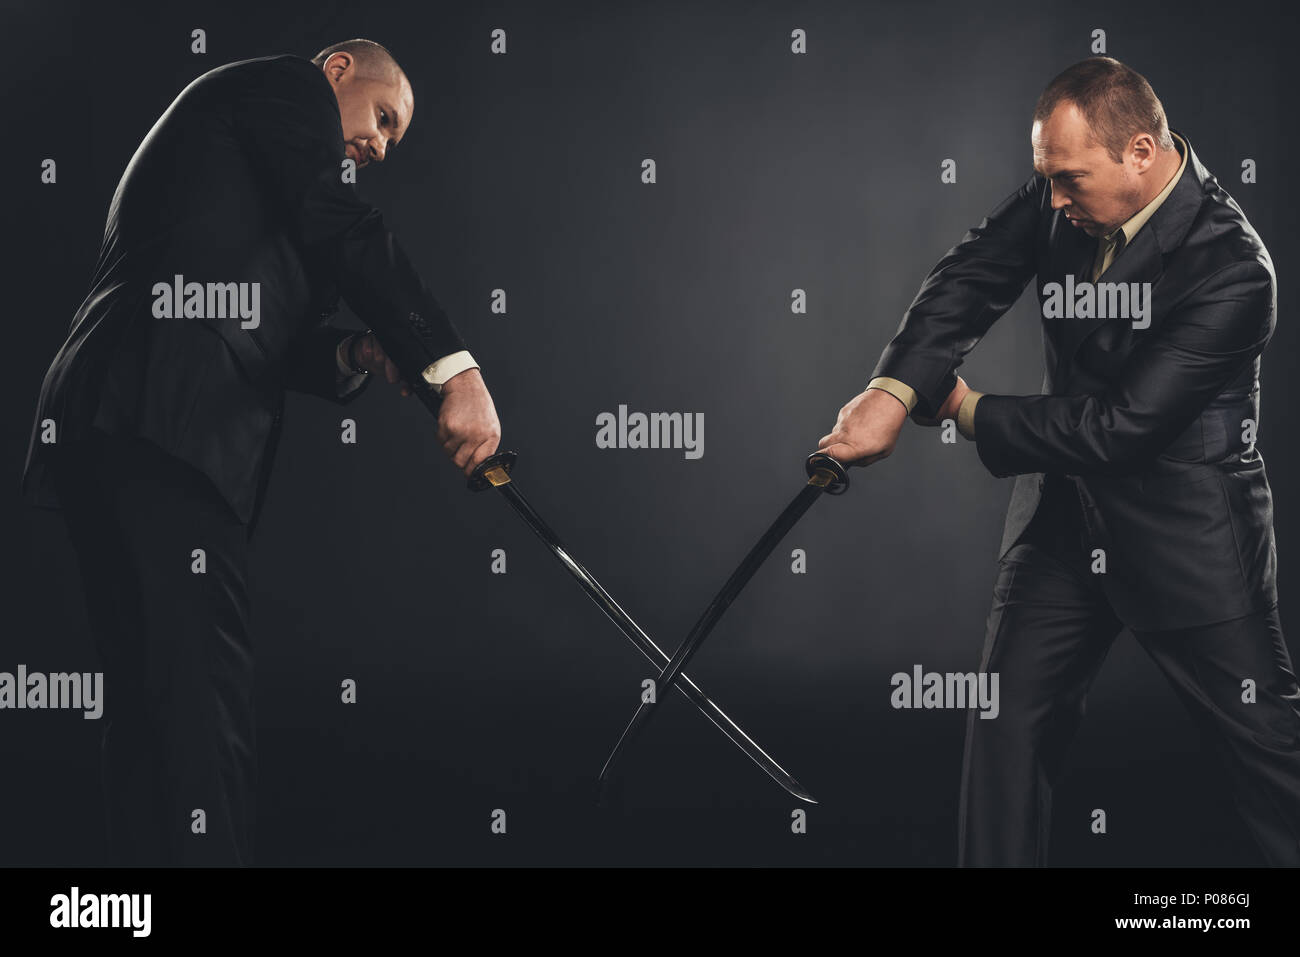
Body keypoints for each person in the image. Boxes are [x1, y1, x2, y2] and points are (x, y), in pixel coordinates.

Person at [20, 39, 501, 865]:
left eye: (396, 138)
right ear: (338, 69)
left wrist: (356, 355)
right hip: (163, 425)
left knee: (152, 707)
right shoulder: (285, 93)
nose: (382, 145)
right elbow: (345, 225)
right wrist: (454, 368)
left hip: (119, 422)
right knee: (200, 710)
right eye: (384, 117)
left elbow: (263, 327)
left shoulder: (251, 157)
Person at [817, 56, 1300, 865]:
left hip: (1190, 543)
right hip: (1063, 526)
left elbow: (1121, 428)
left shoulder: (1234, 271)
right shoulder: (1063, 192)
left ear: (1140, 153)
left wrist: (965, 411)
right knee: (1004, 734)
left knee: (1272, 759)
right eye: (1047, 178)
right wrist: (892, 390)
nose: (1053, 199)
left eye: (1070, 179)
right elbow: (970, 276)